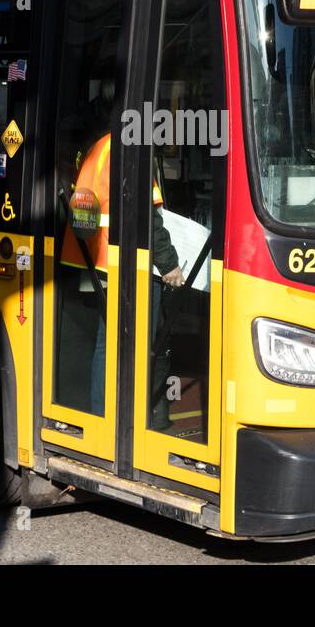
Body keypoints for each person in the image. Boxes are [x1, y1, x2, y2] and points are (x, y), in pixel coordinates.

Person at [62, 132, 182, 417]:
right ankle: (121, 415)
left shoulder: (103, 144)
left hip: (100, 256)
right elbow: (148, 218)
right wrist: (170, 265)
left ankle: (102, 411)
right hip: (121, 261)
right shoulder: (131, 146)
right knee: (133, 343)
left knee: (107, 343)